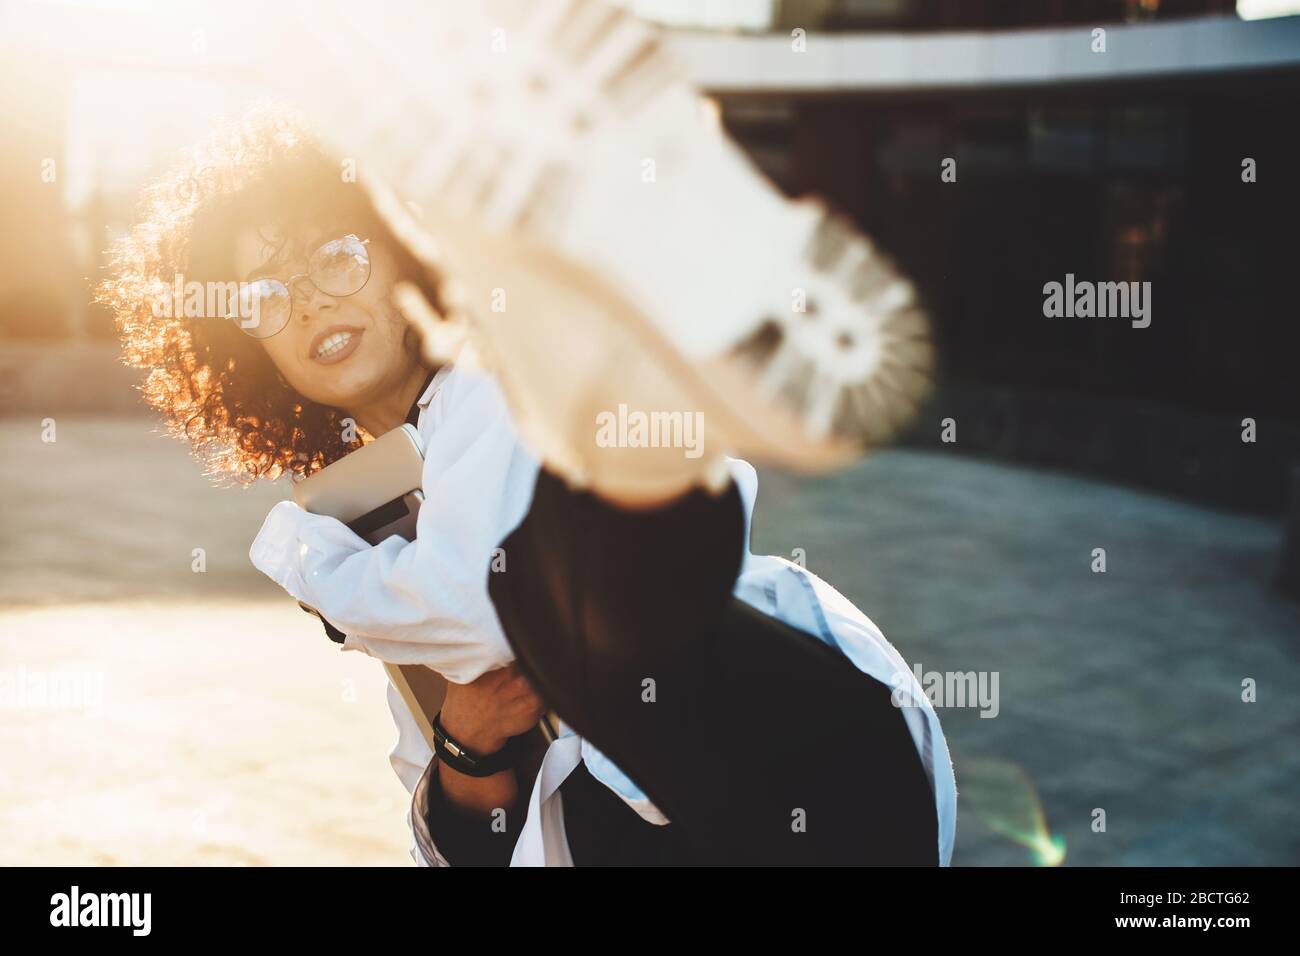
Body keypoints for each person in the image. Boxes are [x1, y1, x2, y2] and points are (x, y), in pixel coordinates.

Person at [101, 110, 955, 865]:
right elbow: (444, 783)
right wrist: (467, 748)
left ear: (409, 245)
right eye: (265, 295)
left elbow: (477, 605)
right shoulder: (369, 504)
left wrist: (309, 564)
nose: (312, 305)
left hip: (792, 759)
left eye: (336, 257)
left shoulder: (502, 370)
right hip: (652, 818)